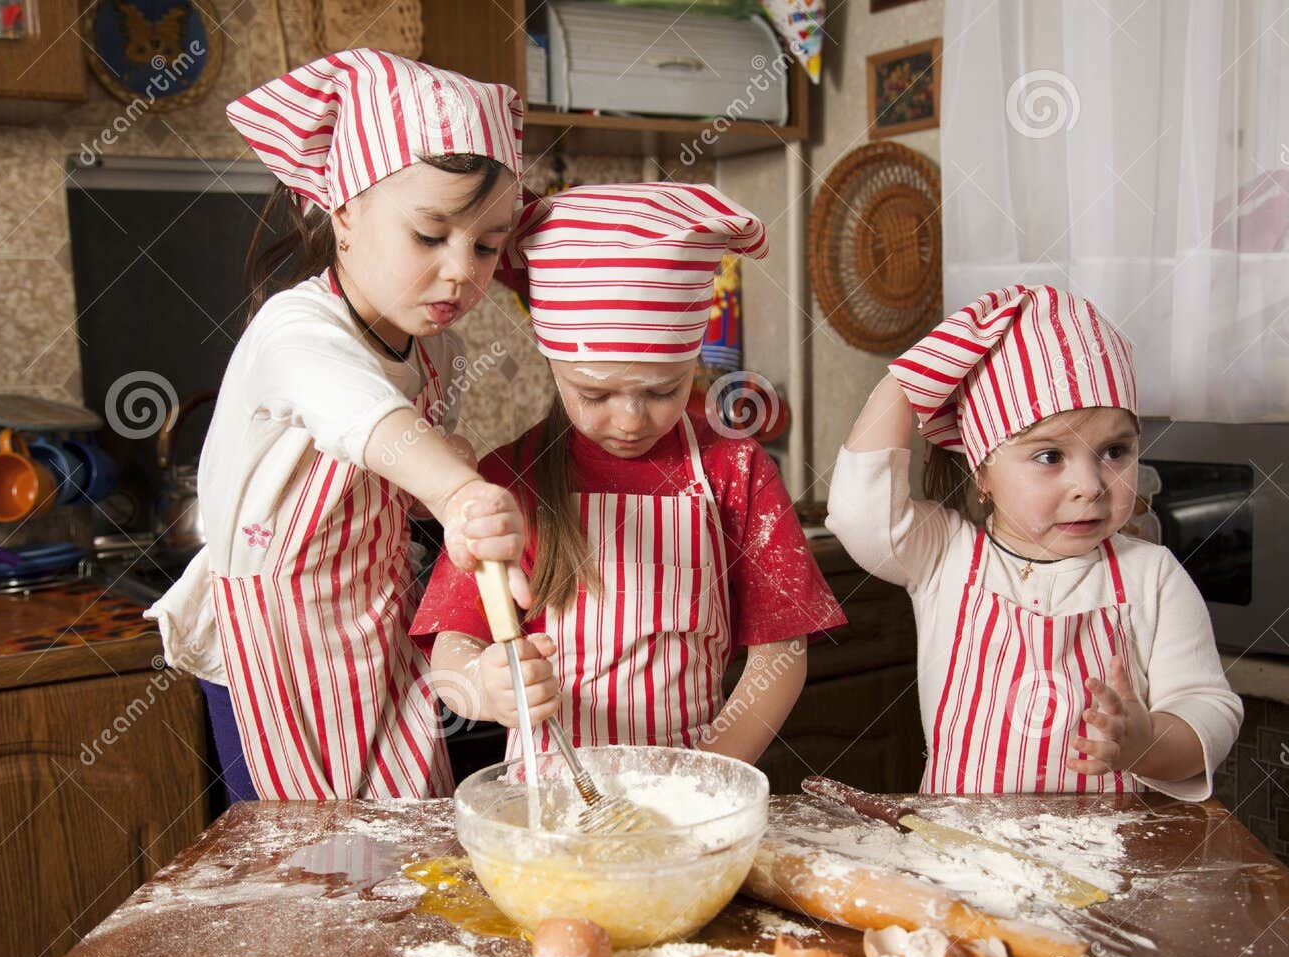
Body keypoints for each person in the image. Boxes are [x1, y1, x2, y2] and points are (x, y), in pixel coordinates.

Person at [145, 50, 531, 801]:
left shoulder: (436, 349)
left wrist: (451, 485)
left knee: (409, 852)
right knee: (307, 870)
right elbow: (368, 420)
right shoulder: (297, 329)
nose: (463, 270)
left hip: (376, 624)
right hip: (276, 646)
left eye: (487, 244)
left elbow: (399, 478)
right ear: (345, 211)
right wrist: (456, 492)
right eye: (430, 235)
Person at [412, 183, 845, 765]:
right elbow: (450, 656)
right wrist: (486, 688)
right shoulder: (506, 482)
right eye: (595, 392)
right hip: (552, 803)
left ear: (693, 362)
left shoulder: (735, 470)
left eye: (664, 390)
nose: (631, 419)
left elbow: (781, 656)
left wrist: (706, 775)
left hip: (689, 796)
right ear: (554, 364)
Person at [826, 284, 1240, 797]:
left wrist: (1147, 743)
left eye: (1115, 450)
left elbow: (1210, 709)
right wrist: (902, 383)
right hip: (962, 858)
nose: (1090, 484)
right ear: (983, 471)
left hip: (1105, 862)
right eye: (1050, 456)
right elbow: (857, 514)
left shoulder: (1151, 575)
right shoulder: (944, 556)